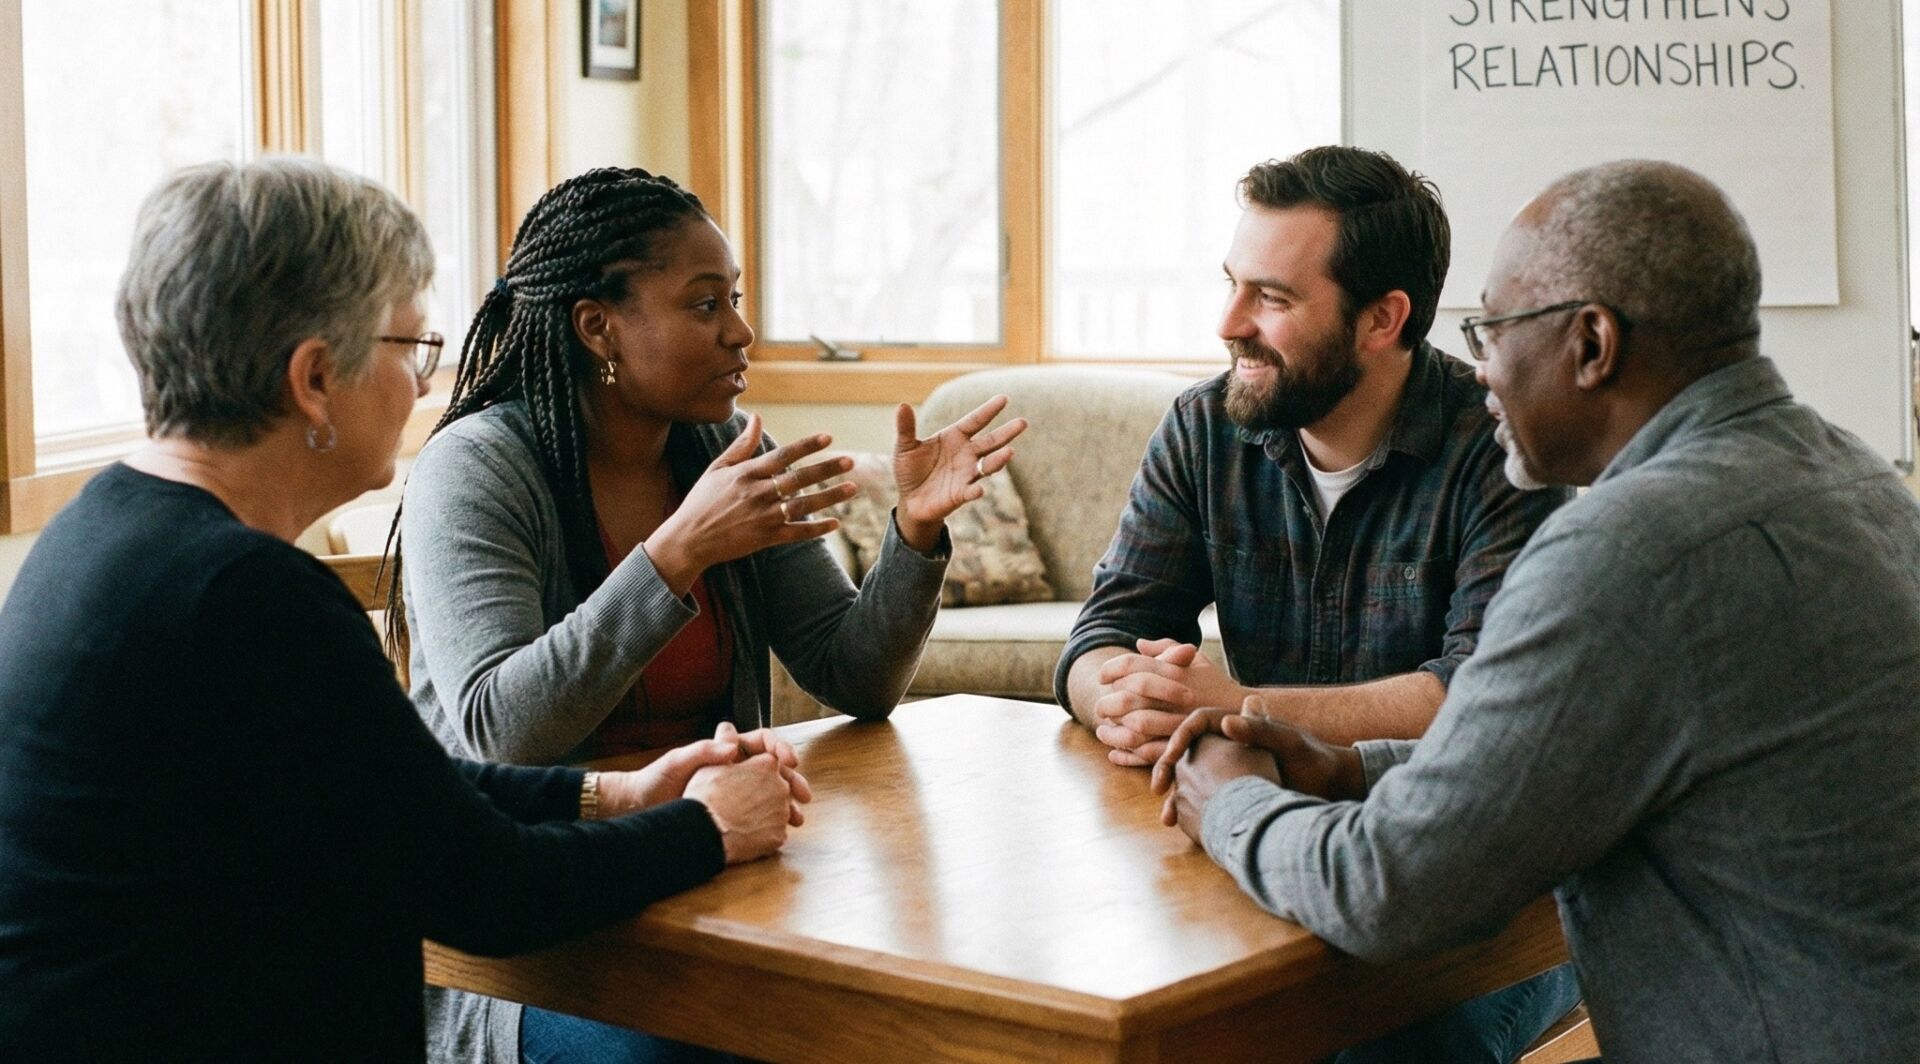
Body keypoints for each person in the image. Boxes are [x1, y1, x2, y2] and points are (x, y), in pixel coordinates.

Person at [0, 159, 810, 1062]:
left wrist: (608, 794)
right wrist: (707, 827)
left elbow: (389, 796)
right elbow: (483, 888)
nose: (428, 384)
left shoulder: (98, 535)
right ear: (314, 380)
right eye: (413, 349)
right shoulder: (246, 598)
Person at [1153, 160, 1920, 1063]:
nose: (1480, 370)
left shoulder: (1631, 549)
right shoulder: (1853, 475)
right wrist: (1353, 766)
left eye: (1493, 330)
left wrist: (1232, 800)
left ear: (1591, 344)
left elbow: (1384, 890)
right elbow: (1614, 748)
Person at [392, 167, 1024, 1062]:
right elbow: (502, 730)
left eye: (734, 298)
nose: (741, 331)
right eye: (703, 305)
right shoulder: (480, 468)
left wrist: (913, 534)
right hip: (535, 931)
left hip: (713, 879)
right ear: (597, 325)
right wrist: (676, 553)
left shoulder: (720, 453)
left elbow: (855, 675)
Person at [1055, 145, 1578, 1062]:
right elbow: (1104, 633)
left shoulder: (1503, 448)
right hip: (1272, 838)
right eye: (1232, 285)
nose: (1228, 323)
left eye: (1273, 298)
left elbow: (1477, 699)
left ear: (1382, 319)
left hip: (1490, 891)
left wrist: (1232, 709)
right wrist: (1123, 692)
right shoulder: (1203, 427)